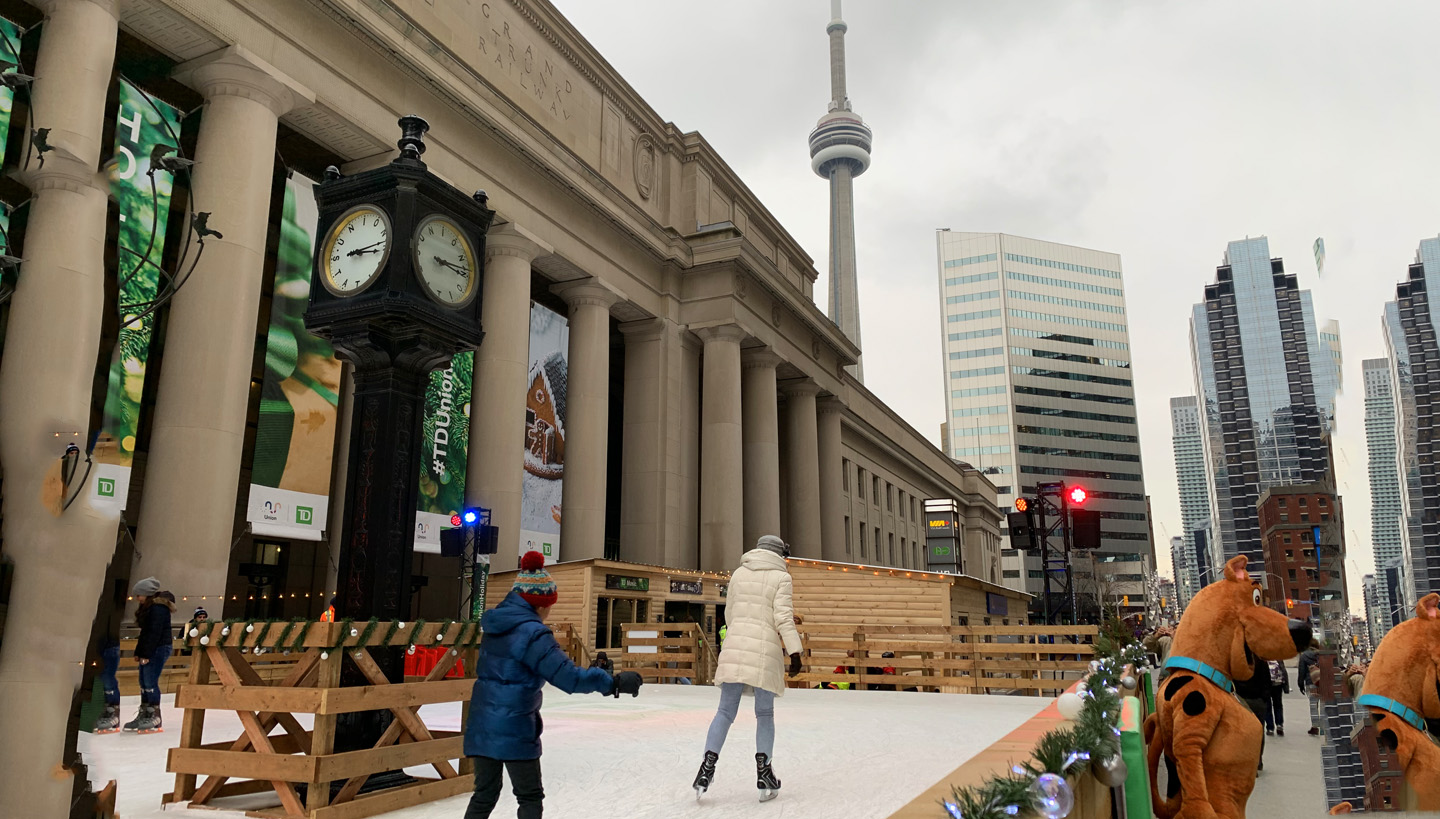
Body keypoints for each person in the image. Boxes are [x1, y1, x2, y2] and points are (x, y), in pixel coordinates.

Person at [463, 551, 642, 819]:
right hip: (514, 725)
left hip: (482, 722)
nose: (549, 612)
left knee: (484, 794)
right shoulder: (534, 633)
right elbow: (568, 676)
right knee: (529, 797)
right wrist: (612, 683)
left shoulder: (496, 626)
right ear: (540, 604)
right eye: (549, 606)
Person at [694, 535, 804, 803]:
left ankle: (705, 770)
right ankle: (764, 773)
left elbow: (729, 615)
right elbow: (783, 618)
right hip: (764, 650)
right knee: (764, 713)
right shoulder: (782, 578)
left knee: (724, 711)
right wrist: (795, 651)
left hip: (734, 646)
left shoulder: (738, 574)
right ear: (780, 554)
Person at [125, 577, 175, 733]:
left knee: (150, 681)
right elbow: (145, 633)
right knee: (143, 681)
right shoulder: (150, 608)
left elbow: (154, 633)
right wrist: (139, 653)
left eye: (139, 595)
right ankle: (145, 713)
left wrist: (146, 654)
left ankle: (154, 716)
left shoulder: (158, 608)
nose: (137, 598)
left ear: (146, 594)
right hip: (151, 648)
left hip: (158, 648)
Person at [1263, 659, 1290, 736]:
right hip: (1278, 684)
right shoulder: (1278, 658)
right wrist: (1286, 687)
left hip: (1266, 685)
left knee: (1268, 707)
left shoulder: (1262, 658)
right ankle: (1279, 724)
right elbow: (1283, 671)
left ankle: (1270, 728)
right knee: (1278, 705)